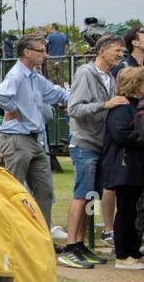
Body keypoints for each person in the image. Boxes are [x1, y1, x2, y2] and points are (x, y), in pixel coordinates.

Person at [60, 36, 127, 268]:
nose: (120, 54)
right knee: (81, 195)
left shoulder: (110, 76)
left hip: (100, 145)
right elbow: (74, 109)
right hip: (84, 144)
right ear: (102, 51)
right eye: (117, 50)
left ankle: (80, 244)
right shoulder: (85, 73)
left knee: (91, 197)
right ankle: (70, 246)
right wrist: (105, 105)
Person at [0, 34, 70, 229]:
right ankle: (7, 235)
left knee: (45, 191)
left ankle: (41, 238)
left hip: (35, 141)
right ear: (27, 52)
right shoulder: (17, 75)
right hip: (17, 139)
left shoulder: (36, 77)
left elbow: (57, 93)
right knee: (13, 191)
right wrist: (14, 109)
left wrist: (78, 97)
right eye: (41, 51)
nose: (45, 54)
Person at [102, 67, 144, 269]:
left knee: (135, 209)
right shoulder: (121, 107)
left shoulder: (134, 106)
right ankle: (123, 254)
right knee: (126, 210)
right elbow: (121, 134)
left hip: (134, 166)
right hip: (124, 167)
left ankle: (133, 251)